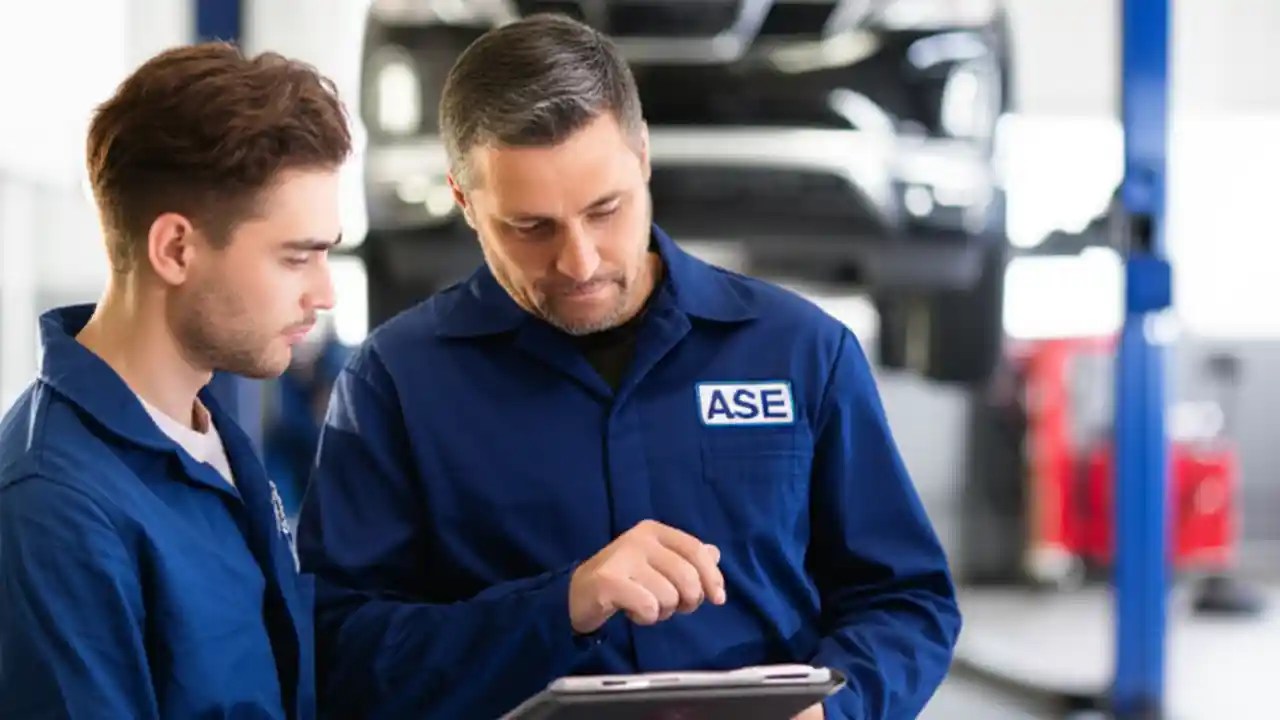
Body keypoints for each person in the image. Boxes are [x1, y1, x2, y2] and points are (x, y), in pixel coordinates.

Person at [297, 13, 960, 720]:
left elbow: (905, 601)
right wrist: (563, 606)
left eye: (605, 209)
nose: (578, 261)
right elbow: (341, 653)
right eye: (532, 228)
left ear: (642, 157)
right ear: (464, 200)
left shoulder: (801, 352)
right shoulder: (396, 384)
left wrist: (838, 708)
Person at [0, 42, 350, 719]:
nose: (325, 293)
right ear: (176, 249)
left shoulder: (206, 435)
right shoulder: (54, 508)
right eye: (296, 257)